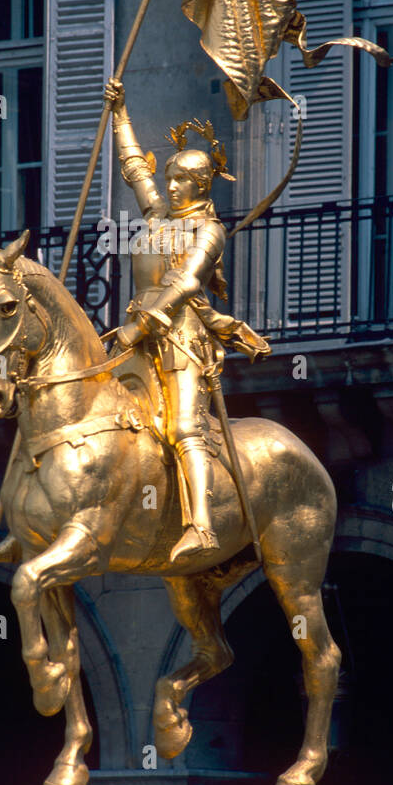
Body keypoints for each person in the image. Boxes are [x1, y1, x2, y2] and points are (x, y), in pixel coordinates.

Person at [104, 76, 270, 562]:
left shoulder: (209, 229)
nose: (171, 186)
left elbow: (188, 282)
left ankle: (202, 525)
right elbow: (135, 168)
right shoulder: (157, 217)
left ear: (201, 184)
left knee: (181, 427)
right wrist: (120, 114)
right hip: (137, 333)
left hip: (180, 338)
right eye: (171, 177)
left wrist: (144, 323)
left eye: (182, 180)